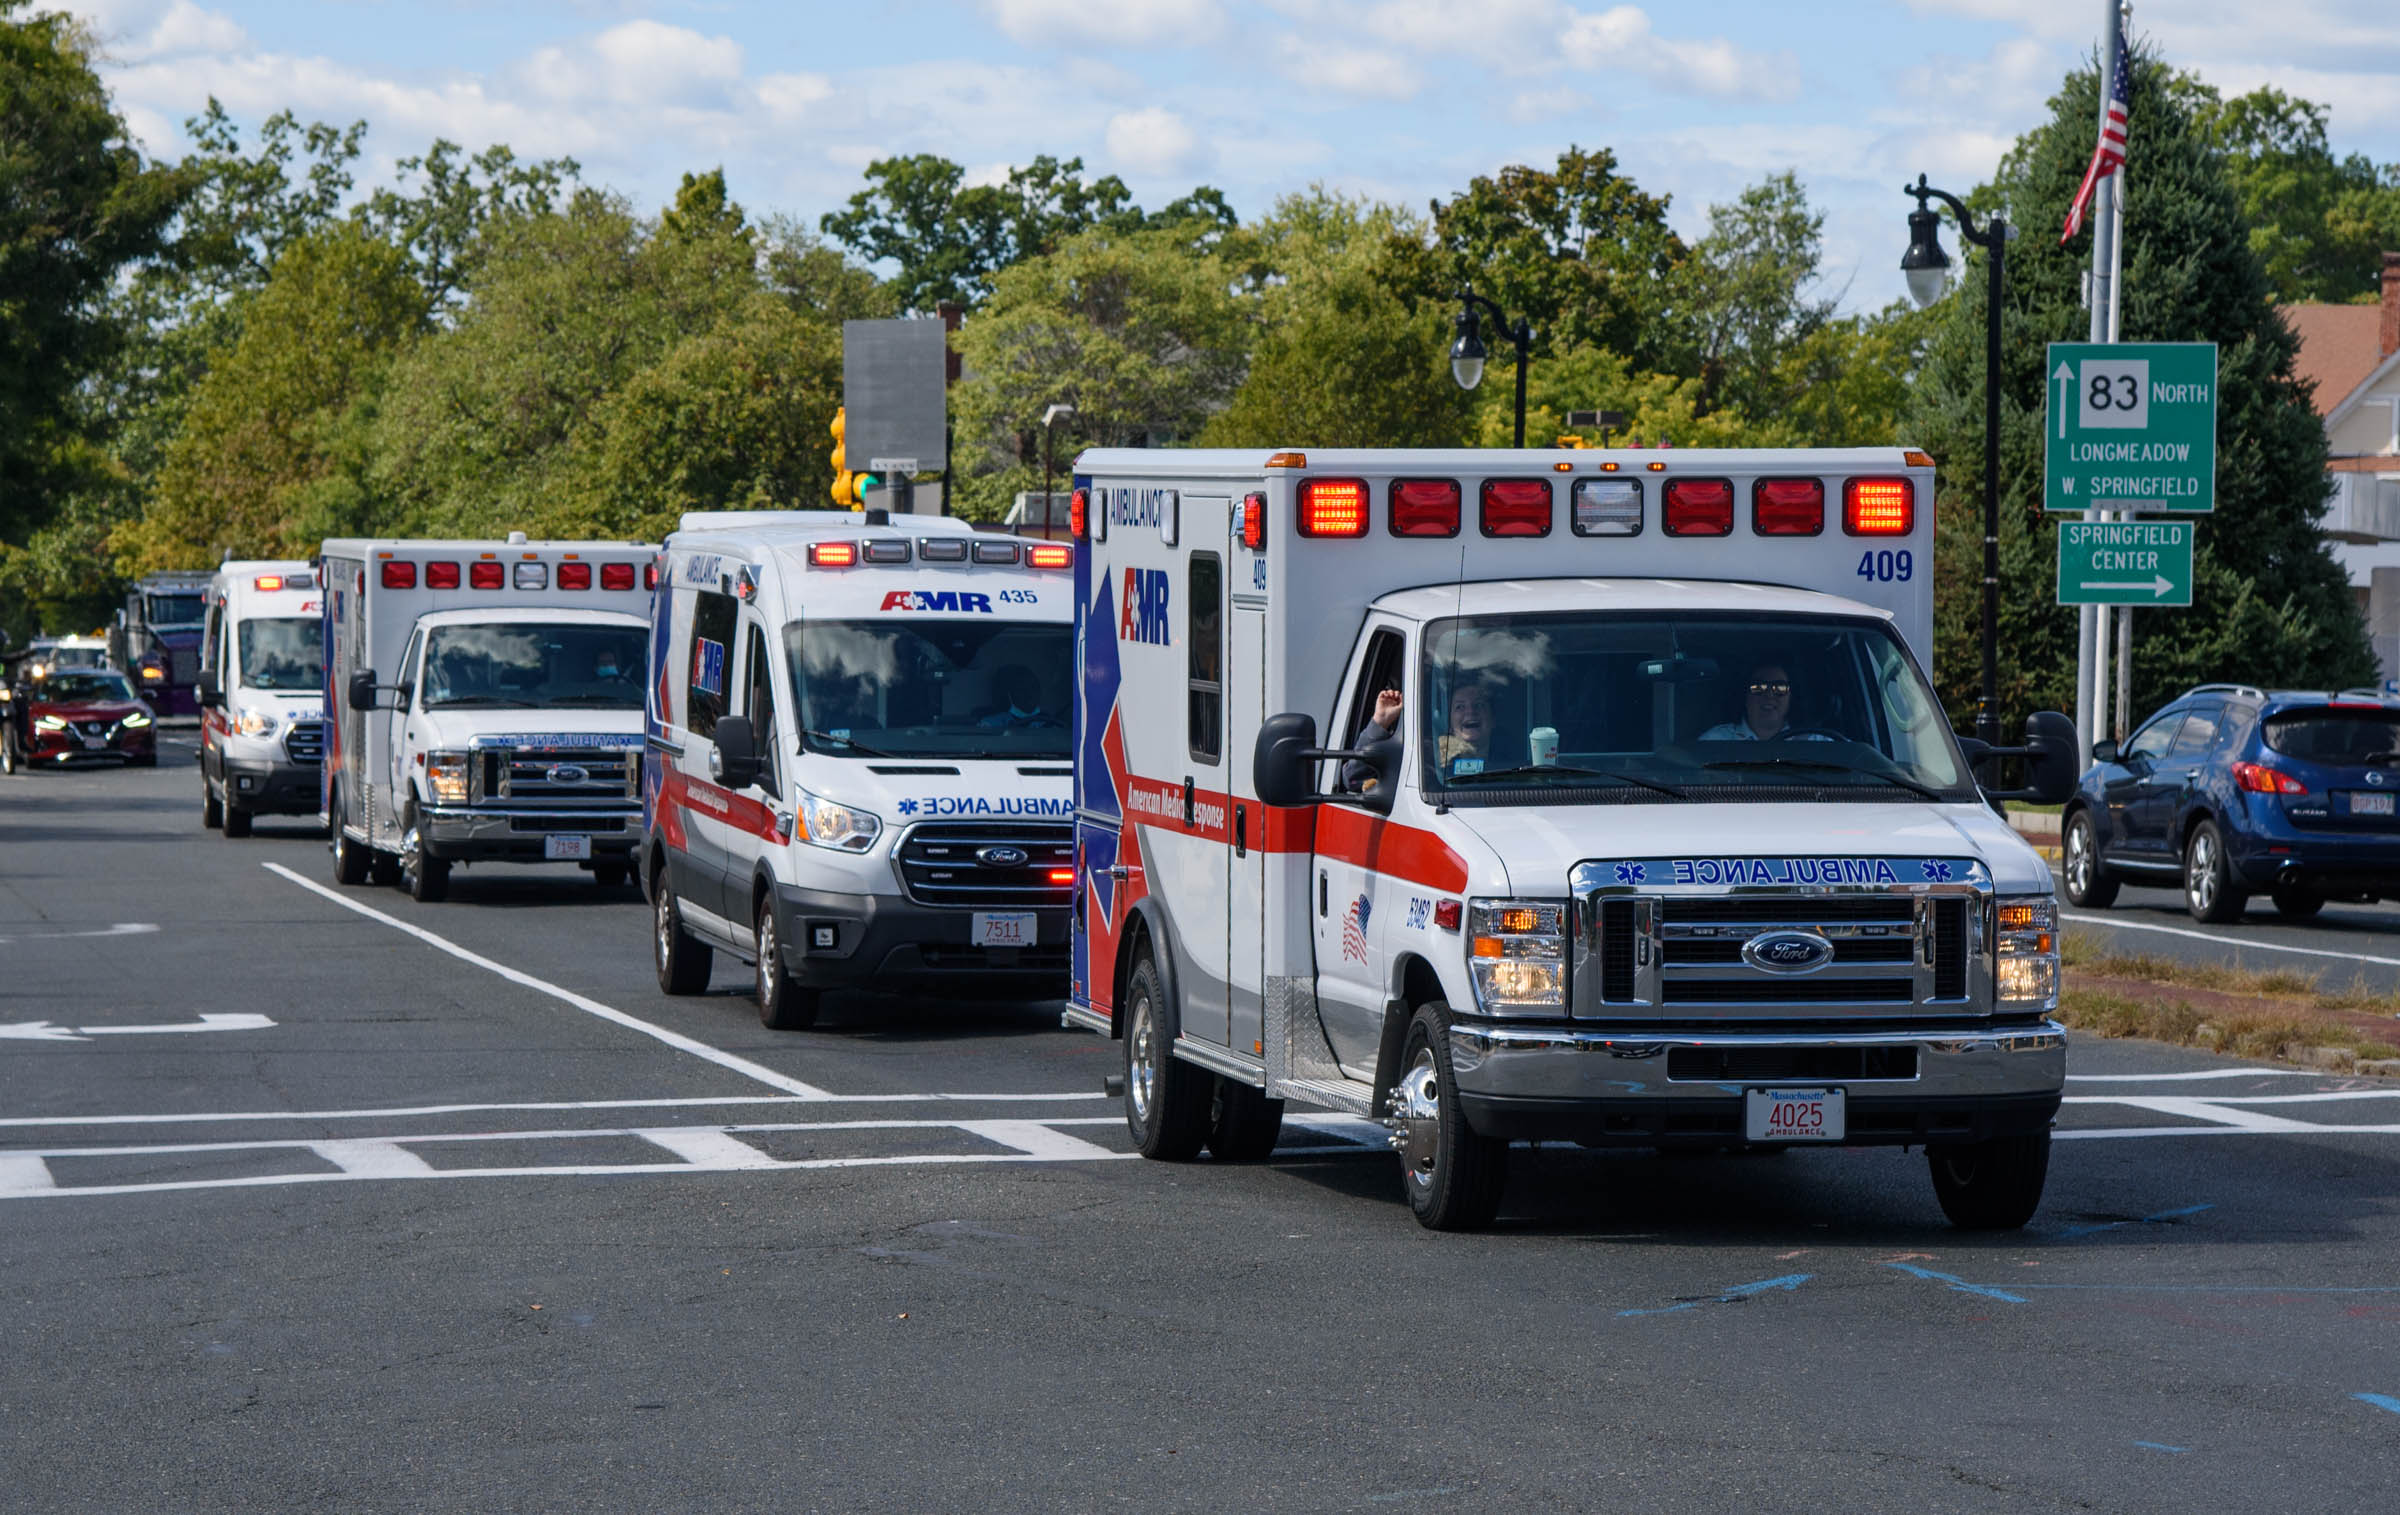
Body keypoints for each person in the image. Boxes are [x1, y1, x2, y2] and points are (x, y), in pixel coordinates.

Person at [1702, 661, 1830, 741]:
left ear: (1791, 697)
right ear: (1745, 696)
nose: (1769, 695)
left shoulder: (1816, 742)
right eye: (1758, 687)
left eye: (1780, 687)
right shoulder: (1716, 740)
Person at [979, 664, 1058, 728]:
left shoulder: (1050, 723)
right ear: (1009, 694)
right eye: (1022, 689)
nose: (1029, 694)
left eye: (1034, 688)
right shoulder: (992, 723)